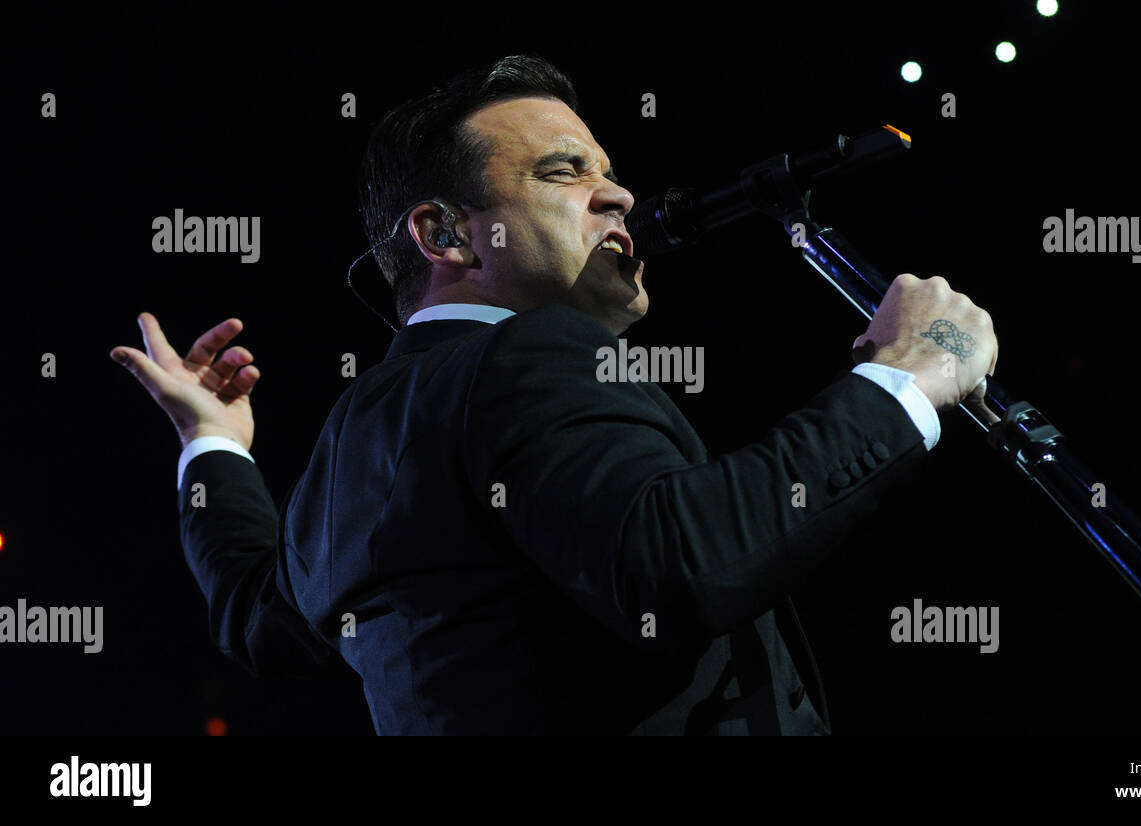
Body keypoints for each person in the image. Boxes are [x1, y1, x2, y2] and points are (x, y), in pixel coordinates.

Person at [110, 55, 998, 734]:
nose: (618, 193)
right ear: (447, 233)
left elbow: (258, 616)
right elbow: (674, 564)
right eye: (564, 171)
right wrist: (905, 379)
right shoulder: (523, 354)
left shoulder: (355, 439)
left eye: (608, 170)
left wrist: (212, 443)